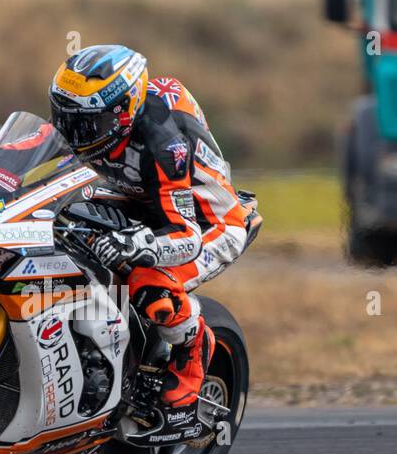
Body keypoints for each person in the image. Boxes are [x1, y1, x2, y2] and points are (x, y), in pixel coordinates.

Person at [48, 44, 249, 411]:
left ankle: (193, 346)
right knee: (62, 230)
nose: (74, 134)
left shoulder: (162, 143)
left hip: (207, 224)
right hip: (141, 201)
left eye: (88, 124)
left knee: (147, 282)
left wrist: (136, 246)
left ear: (123, 112)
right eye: (66, 118)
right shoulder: (93, 124)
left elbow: (186, 236)